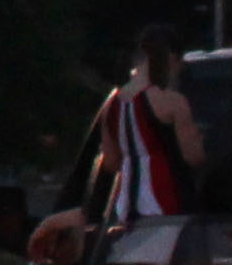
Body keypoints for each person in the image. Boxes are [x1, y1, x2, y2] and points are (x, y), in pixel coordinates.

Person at [81, 28, 203, 224]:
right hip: (167, 204)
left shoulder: (112, 103)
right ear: (171, 59)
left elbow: (111, 162)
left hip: (125, 206)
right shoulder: (172, 101)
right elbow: (192, 156)